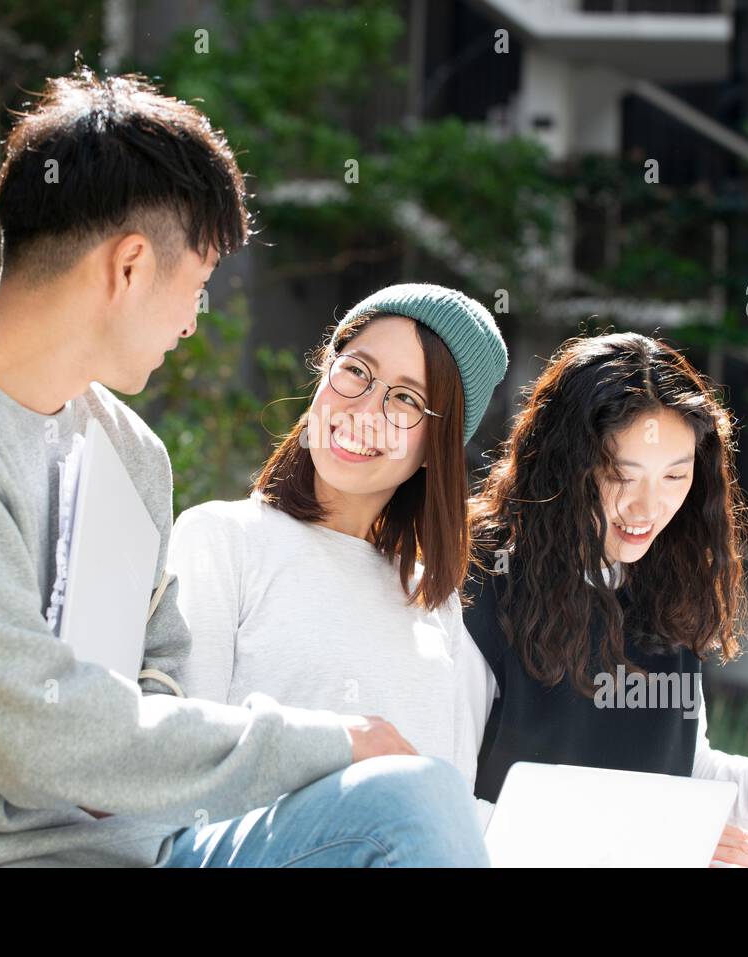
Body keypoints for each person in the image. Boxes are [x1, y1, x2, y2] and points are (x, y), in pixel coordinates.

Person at [0, 68, 487, 868]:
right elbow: (35, 729)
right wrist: (330, 743)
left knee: (415, 800)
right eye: (199, 285)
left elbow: (160, 671)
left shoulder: (130, 452)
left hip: (135, 853)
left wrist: (140, 735)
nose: (190, 322)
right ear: (130, 266)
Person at [463, 331, 748, 867]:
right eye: (620, 475)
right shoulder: (472, 584)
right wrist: (654, 840)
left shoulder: (661, 591)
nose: (648, 506)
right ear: (561, 466)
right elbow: (444, 809)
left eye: (676, 475)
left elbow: (685, 775)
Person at [166, 284, 510, 844]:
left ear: (437, 448)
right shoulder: (223, 539)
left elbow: (449, 812)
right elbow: (177, 752)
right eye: (356, 372)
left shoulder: (435, 605)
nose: (365, 413)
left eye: (405, 401)